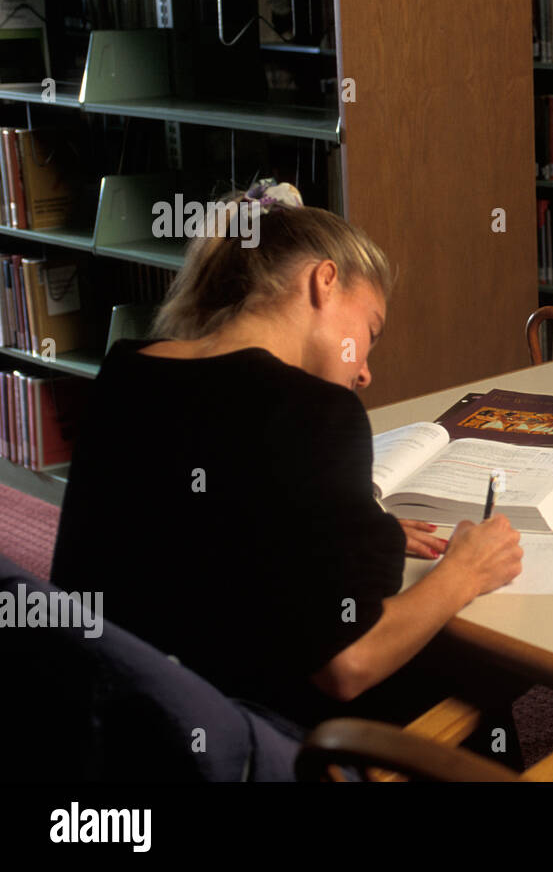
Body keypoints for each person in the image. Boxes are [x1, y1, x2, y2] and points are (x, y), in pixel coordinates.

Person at [51, 180, 526, 741]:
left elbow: (199, 529)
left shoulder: (127, 372)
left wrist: (345, 531)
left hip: (119, 721)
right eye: (370, 331)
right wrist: (464, 570)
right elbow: (348, 663)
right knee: (483, 672)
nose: (366, 369)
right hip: (249, 740)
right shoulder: (318, 412)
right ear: (324, 281)